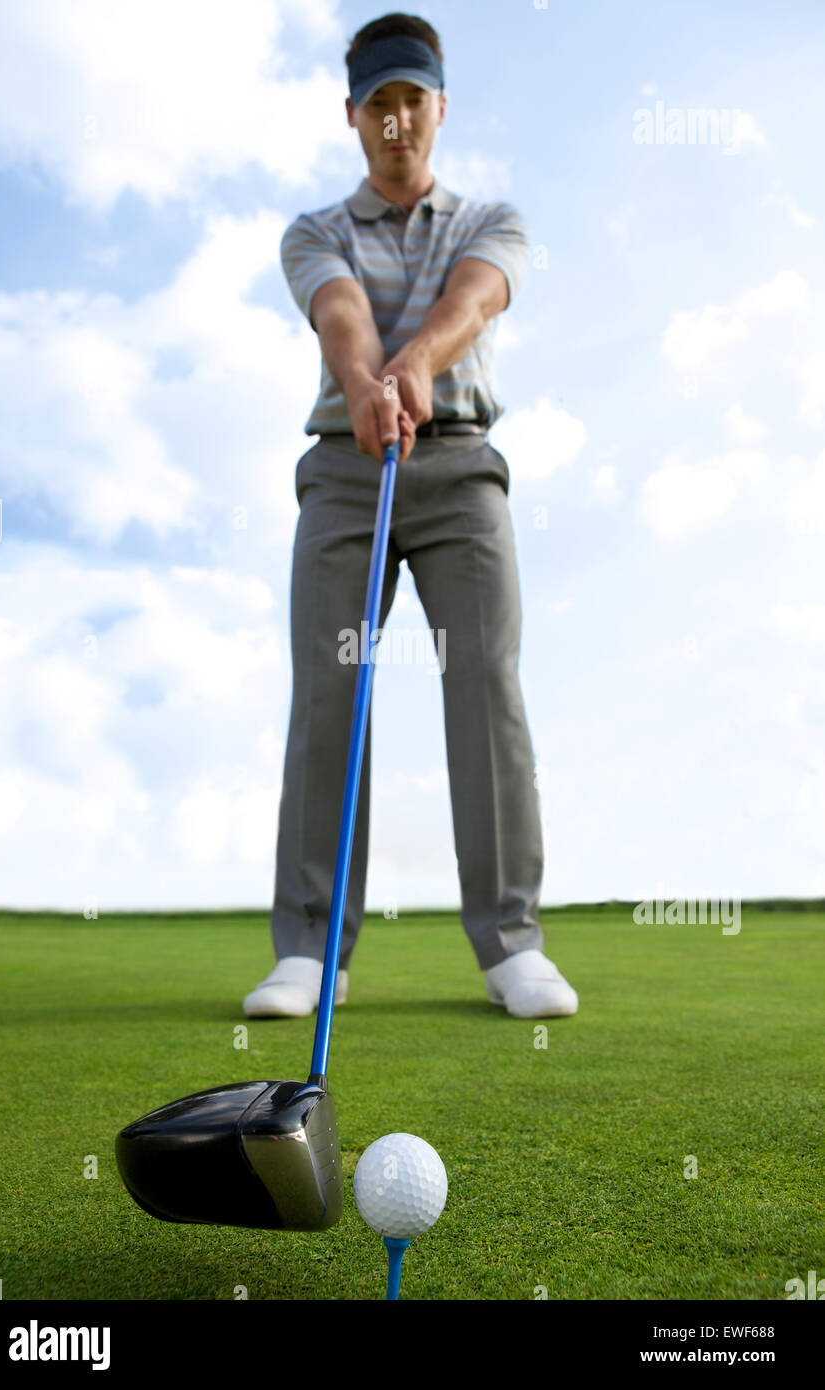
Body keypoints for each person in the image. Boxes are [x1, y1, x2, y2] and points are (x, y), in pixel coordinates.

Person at [243, 13, 578, 1021]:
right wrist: (363, 382)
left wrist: (410, 366)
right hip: (347, 471)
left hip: (461, 468)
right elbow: (339, 312)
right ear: (352, 115)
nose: (395, 122)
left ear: (439, 106)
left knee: (482, 683)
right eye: (376, 105)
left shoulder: (490, 219)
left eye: (410, 102)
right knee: (328, 687)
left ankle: (510, 943)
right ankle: (310, 950)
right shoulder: (315, 230)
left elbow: (472, 305)